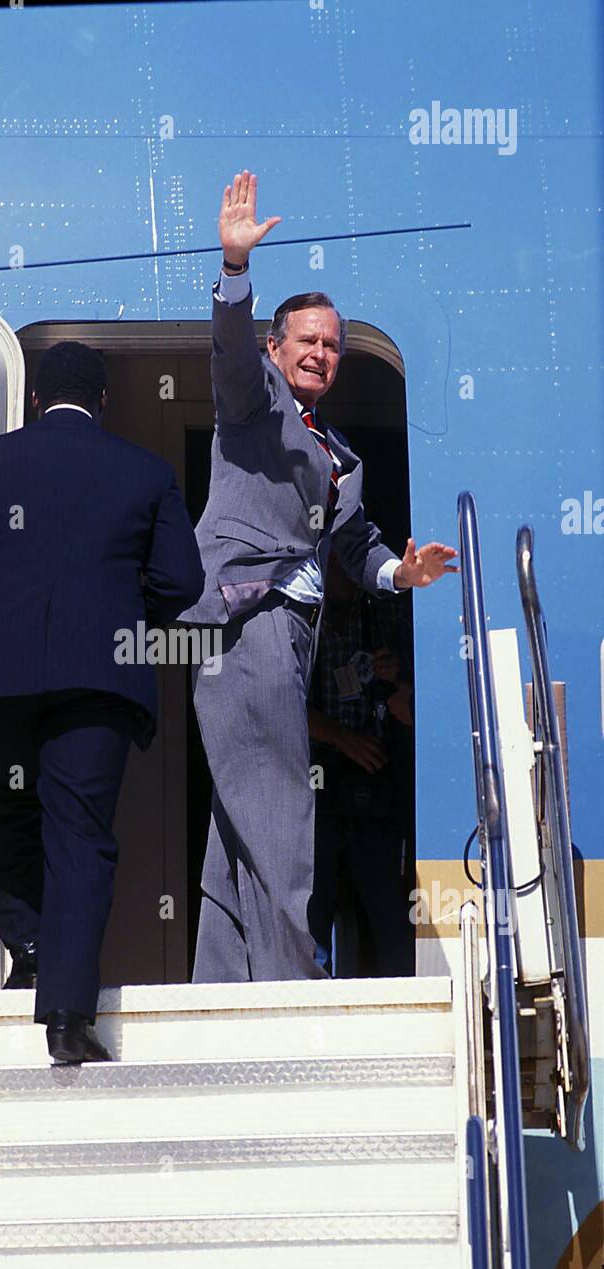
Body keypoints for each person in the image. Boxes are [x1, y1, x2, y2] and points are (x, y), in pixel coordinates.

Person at [178, 169, 457, 984]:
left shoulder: (340, 454)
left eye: (334, 346)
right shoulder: (254, 399)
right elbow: (228, 354)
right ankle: (293, 984)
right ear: (277, 348)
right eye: (307, 340)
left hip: (291, 636)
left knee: (242, 814)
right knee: (280, 802)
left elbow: (356, 545)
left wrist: (400, 573)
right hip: (248, 617)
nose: (323, 355)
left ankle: (222, 983)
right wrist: (234, 270)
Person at [0, 342, 204, 1063]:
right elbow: (183, 584)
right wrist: (119, 619)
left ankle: (29, 942)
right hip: (98, 683)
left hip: (1, 681)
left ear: (36, 399)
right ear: (102, 402)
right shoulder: (146, 472)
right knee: (79, 834)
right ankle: (67, 1017)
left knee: (9, 802)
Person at [307, 552, 415, 977]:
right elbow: (280, 705)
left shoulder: (384, 616)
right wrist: (343, 739)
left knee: (388, 911)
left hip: (375, 783)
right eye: (340, 566)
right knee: (312, 912)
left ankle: (404, 1000)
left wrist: (399, 674)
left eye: (356, 569)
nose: (349, 578)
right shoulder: (302, 619)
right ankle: (310, 1009)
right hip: (316, 784)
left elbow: (421, 694)